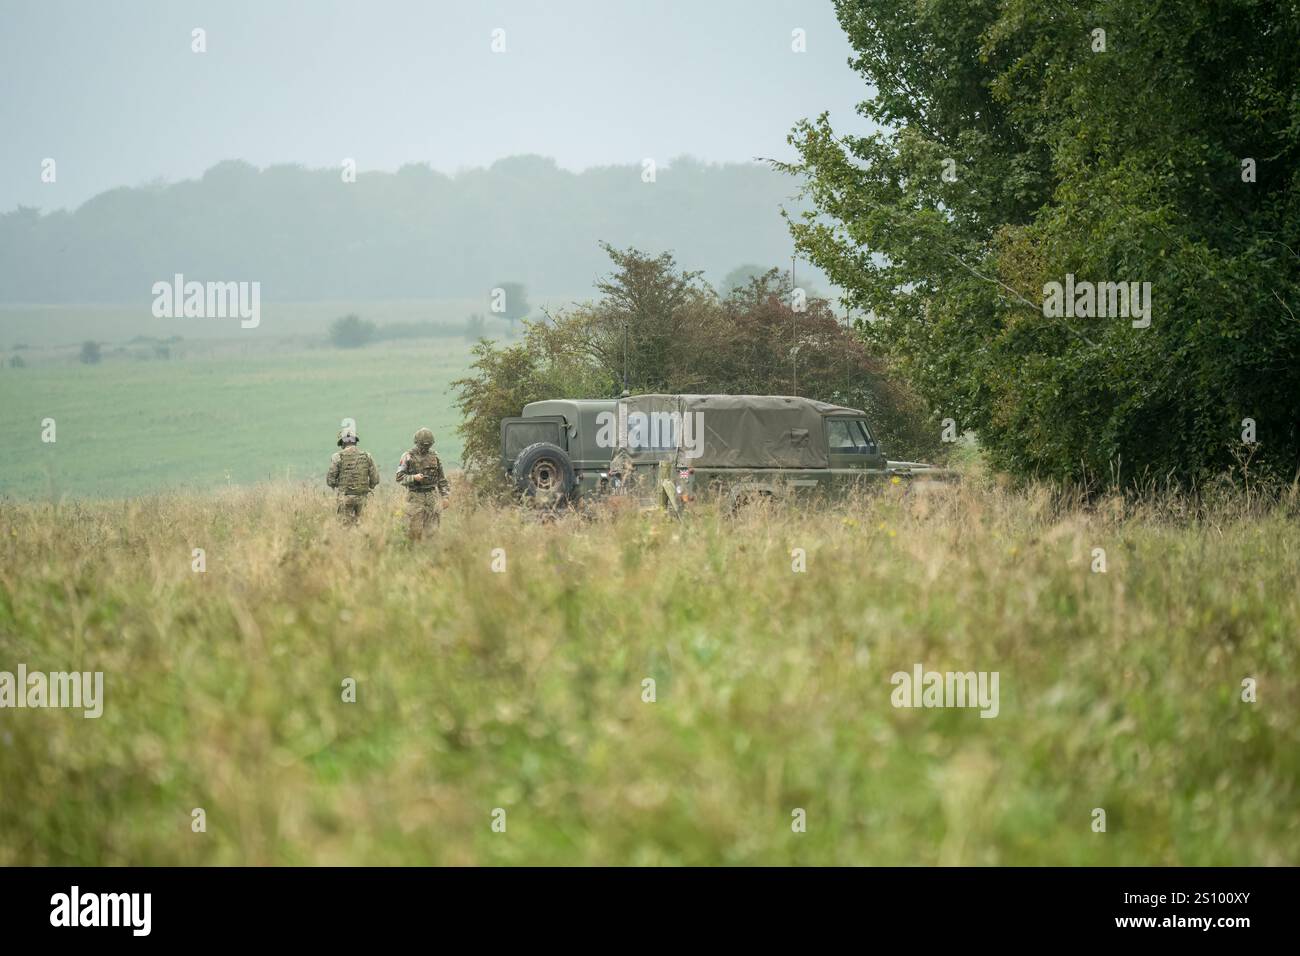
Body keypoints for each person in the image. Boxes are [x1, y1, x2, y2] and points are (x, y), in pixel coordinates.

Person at [396, 427, 450, 541]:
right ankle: (414, 553)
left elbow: (442, 479)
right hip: (415, 496)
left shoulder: (435, 457)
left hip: (432, 496)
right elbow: (399, 477)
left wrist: (445, 497)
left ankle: (430, 553)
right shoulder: (407, 456)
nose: (425, 448)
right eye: (423, 445)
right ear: (417, 443)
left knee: (432, 530)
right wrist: (413, 478)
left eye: (428, 445)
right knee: (414, 529)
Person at [326, 427, 379, 524]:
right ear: (355, 441)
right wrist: (368, 486)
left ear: (342, 443)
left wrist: (340, 484)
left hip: (345, 498)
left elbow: (330, 481)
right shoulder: (367, 456)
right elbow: (375, 480)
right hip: (363, 498)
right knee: (364, 528)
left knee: (345, 529)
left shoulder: (337, 457)